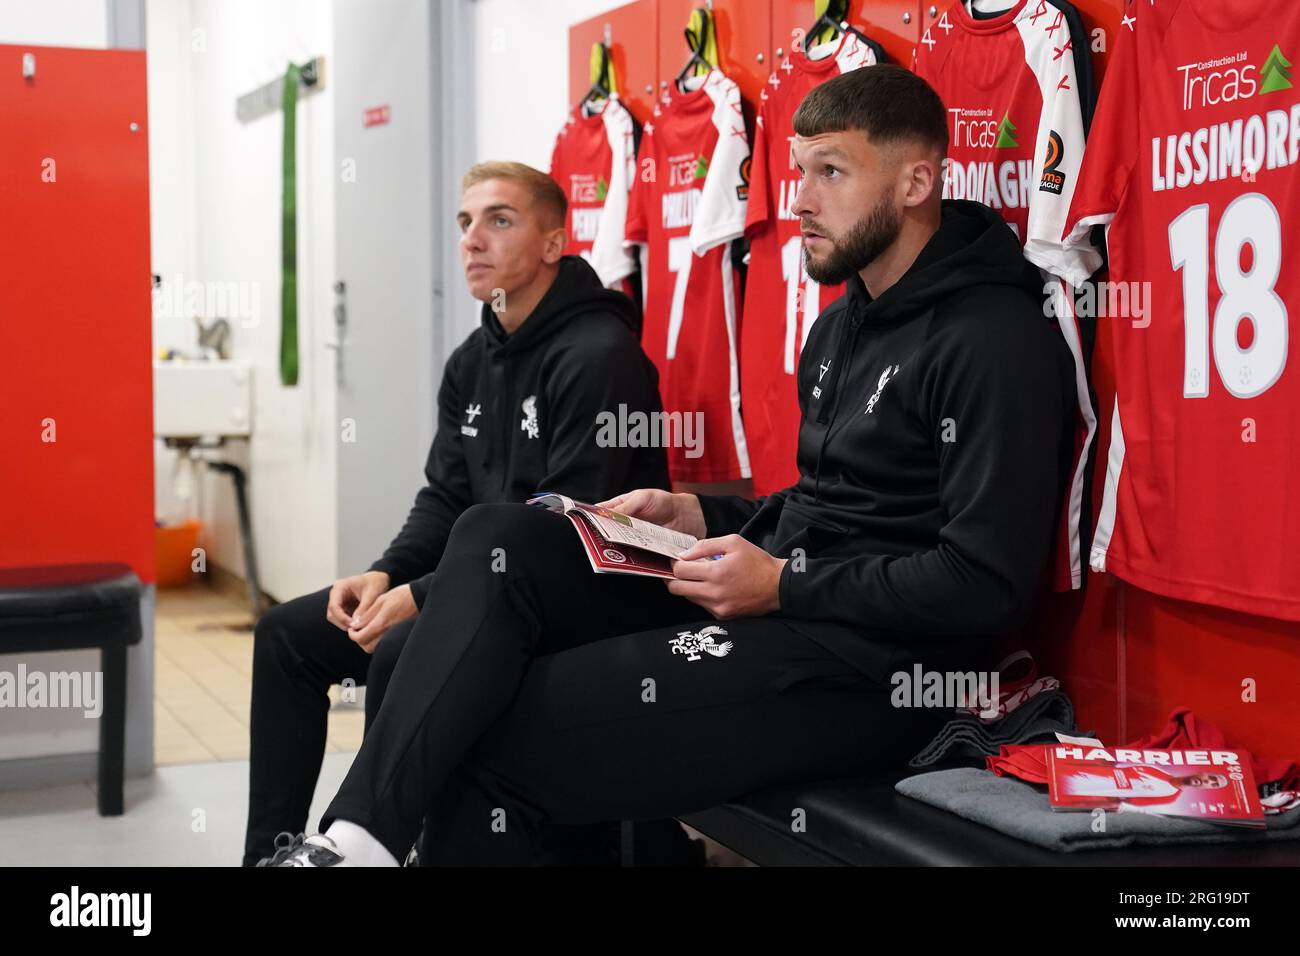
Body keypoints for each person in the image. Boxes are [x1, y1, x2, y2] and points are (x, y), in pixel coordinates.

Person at [266, 64, 1077, 868]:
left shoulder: (993, 339)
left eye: (831, 171)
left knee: (478, 731)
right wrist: (703, 515)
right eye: (797, 171)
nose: (799, 198)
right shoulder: (842, 327)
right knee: (493, 541)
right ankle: (355, 842)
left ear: (916, 181)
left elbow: (985, 583)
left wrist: (786, 585)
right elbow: (829, 505)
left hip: (879, 672)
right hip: (787, 608)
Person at [244, 161, 683, 866]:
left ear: (551, 244)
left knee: (397, 650)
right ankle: (279, 856)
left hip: (591, 595)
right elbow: (446, 498)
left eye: (499, 220)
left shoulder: (602, 355)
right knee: (288, 637)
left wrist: (423, 598)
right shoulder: (469, 360)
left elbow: (566, 527)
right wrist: (389, 574)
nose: (473, 239)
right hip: (471, 589)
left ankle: (390, 844)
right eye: (465, 222)